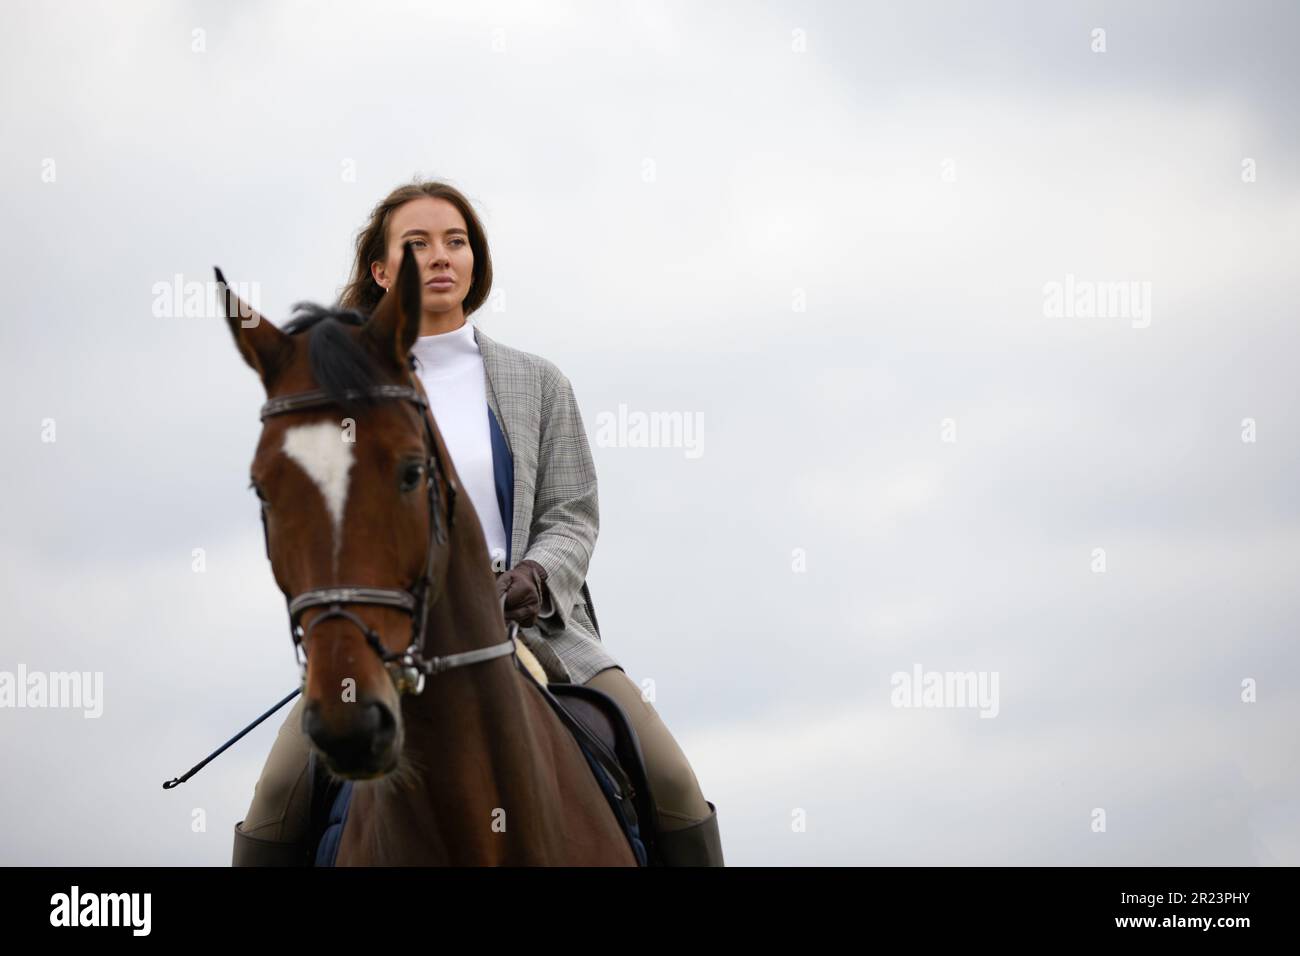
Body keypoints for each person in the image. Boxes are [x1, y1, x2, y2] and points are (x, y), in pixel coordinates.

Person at [231, 180, 723, 866]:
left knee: (672, 780)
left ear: (474, 261)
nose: (440, 256)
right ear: (380, 272)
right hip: (388, 637)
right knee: (277, 799)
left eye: (455, 242)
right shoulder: (350, 396)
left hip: (538, 630)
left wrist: (535, 575)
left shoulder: (537, 382)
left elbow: (573, 513)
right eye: (417, 245)